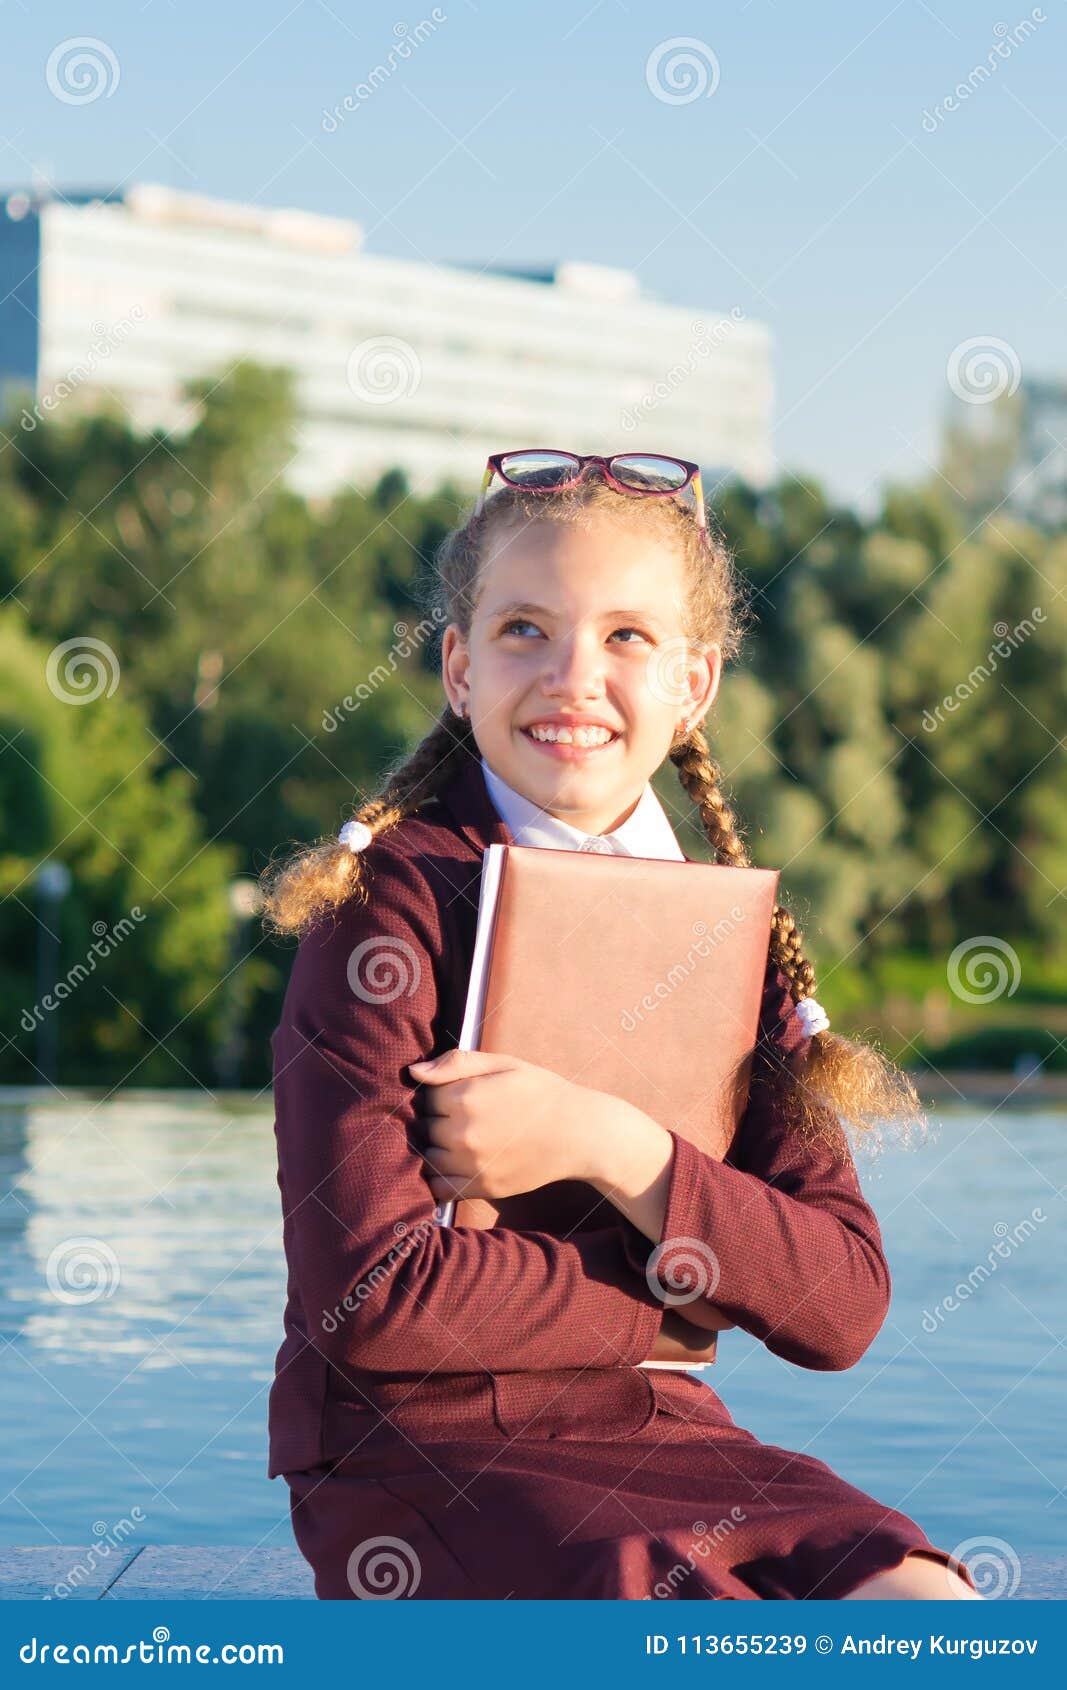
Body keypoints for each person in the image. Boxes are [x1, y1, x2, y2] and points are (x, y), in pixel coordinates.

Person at [258, 450, 979, 1601]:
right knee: (680, 1630)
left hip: (668, 1426)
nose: (570, 678)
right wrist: (691, 1284)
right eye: (522, 631)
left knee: (928, 1605)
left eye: (625, 639)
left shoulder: (724, 927)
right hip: (418, 1450)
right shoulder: (383, 911)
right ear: (457, 667)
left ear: (694, 683)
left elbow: (840, 1299)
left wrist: (611, 1146)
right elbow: (373, 1302)